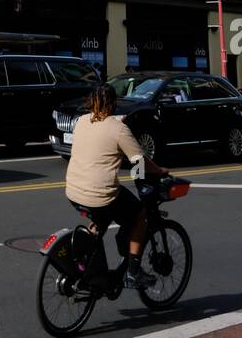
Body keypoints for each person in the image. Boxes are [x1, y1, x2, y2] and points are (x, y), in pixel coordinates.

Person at [65, 83, 169, 289]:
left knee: (100, 218)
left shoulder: (81, 121)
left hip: (74, 191)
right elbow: (138, 161)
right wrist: (155, 172)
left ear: (91, 102)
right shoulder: (119, 128)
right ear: (113, 104)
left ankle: (86, 259)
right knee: (140, 214)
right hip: (100, 195)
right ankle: (133, 272)